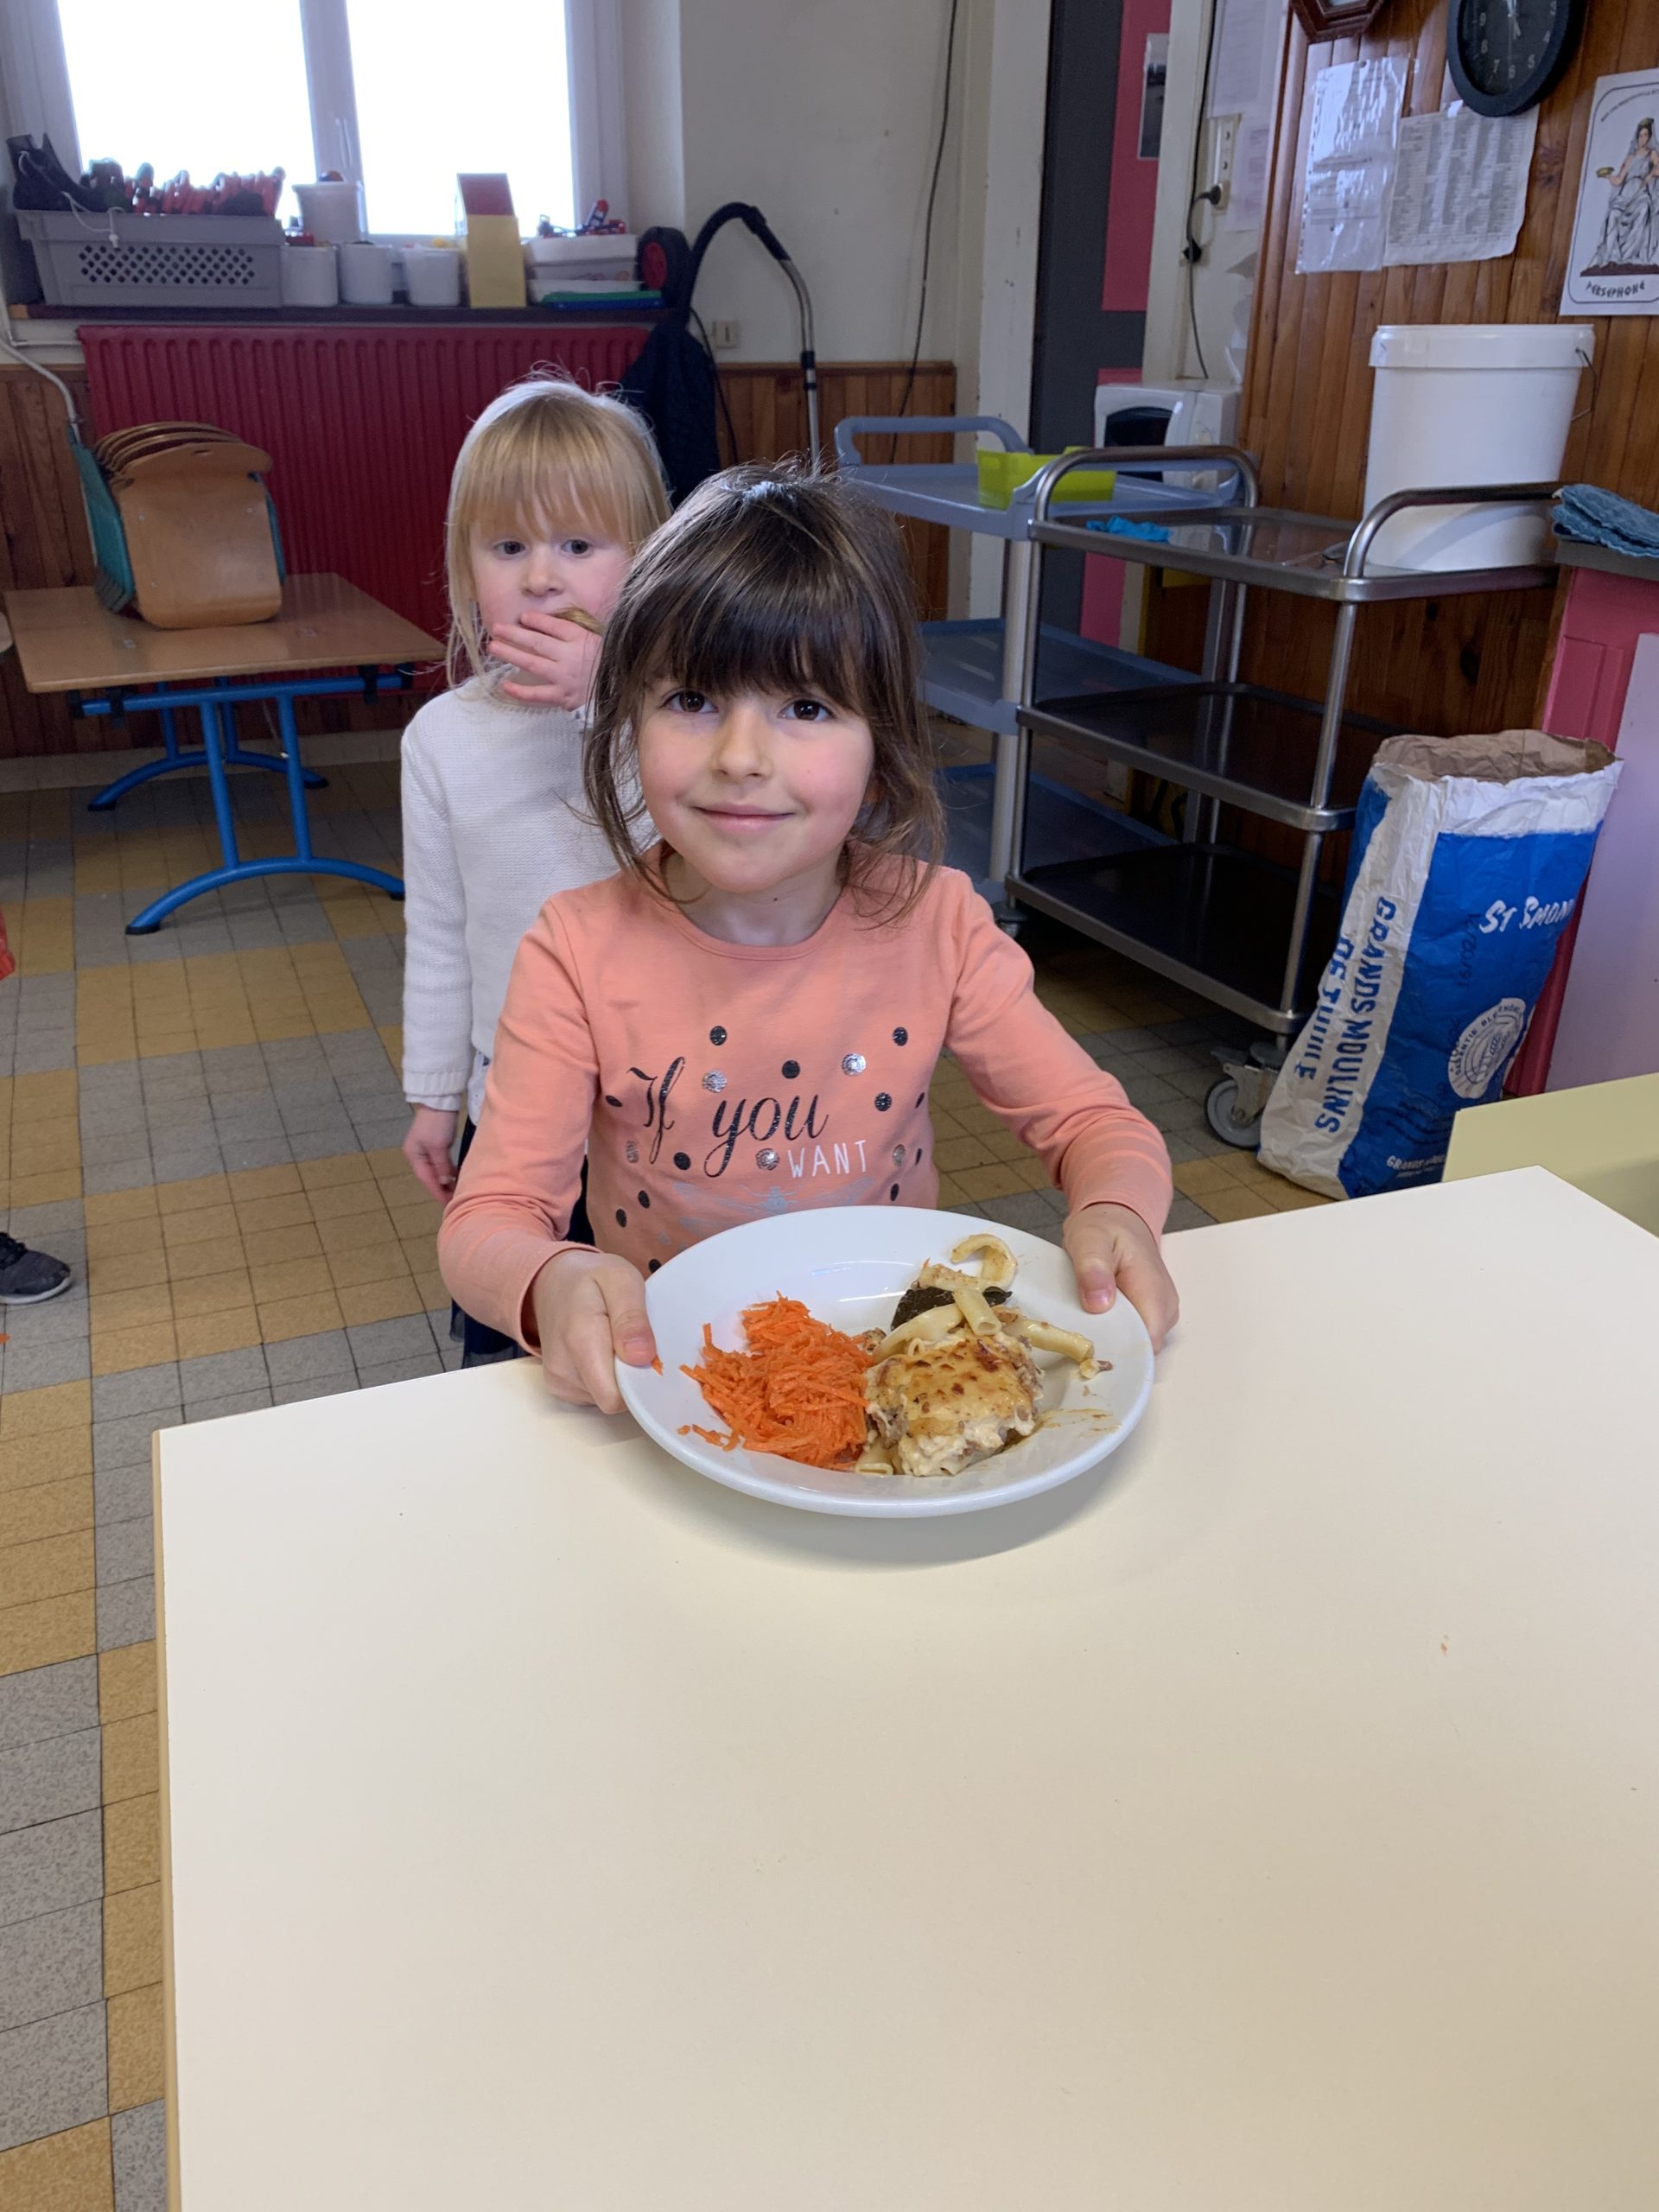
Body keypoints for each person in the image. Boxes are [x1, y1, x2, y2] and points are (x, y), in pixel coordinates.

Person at [438, 467, 1179, 1408]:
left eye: (806, 707)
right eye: (693, 699)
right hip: (675, 1373)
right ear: (628, 718)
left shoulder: (940, 923)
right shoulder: (575, 950)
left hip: (891, 1367)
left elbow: (1095, 1124)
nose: (741, 757)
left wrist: (1116, 1210)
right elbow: (490, 1217)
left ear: (882, 753)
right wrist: (549, 1279)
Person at [400, 374, 670, 1363]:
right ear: (466, 566)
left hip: (671, 1097)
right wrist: (436, 1091)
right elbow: (438, 926)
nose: (543, 578)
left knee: (665, 1340)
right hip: (513, 1103)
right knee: (508, 1348)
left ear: (646, 562)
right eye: (509, 547)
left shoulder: (678, 719)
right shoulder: (442, 737)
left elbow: (700, 853)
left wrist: (617, 699)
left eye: (581, 546)